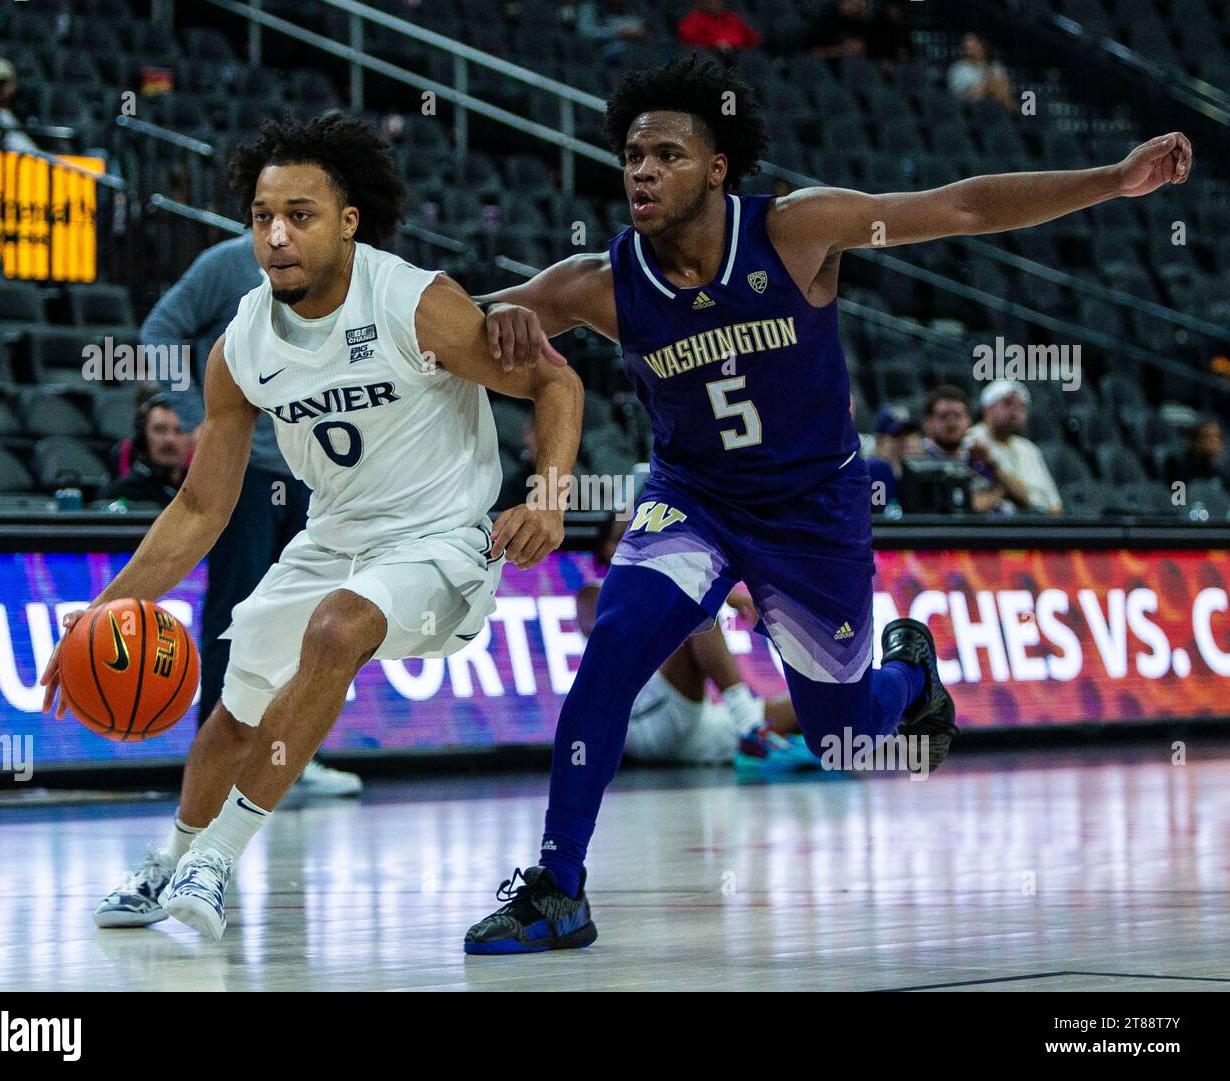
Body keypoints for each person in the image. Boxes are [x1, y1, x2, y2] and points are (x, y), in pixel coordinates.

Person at [462, 54, 1192, 952]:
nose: (641, 171)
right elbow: (456, 327)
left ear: (718, 166)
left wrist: (1112, 180)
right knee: (611, 649)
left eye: (665, 154)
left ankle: (909, 679)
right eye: (631, 156)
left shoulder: (797, 231)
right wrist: (491, 313)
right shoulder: (600, 282)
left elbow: (961, 205)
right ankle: (557, 885)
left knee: (841, 733)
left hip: (812, 510)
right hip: (691, 497)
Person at [39, 114, 584, 940]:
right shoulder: (242, 345)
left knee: (337, 628)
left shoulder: (412, 302)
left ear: (348, 221)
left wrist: (547, 495)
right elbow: (199, 507)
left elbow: (556, 382)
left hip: (443, 541)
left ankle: (218, 858)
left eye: (301, 214)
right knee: (234, 704)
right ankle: (174, 856)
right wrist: (104, 611)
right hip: (336, 535)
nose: (278, 235)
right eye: (263, 217)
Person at [139, 234, 361, 797]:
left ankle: (290, 759)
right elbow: (158, 331)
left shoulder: (336, 267)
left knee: (308, 624)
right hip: (246, 471)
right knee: (235, 617)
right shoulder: (225, 263)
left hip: (314, 473)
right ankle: (220, 765)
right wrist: (195, 417)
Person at [577, 513, 818, 772]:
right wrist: (720, 592)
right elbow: (612, 627)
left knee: (809, 701)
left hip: (690, 721)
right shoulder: (592, 592)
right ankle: (751, 728)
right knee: (695, 609)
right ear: (603, 549)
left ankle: (767, 735)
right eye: (619, 540)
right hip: (637, 720)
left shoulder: (666, 583)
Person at [968, 379, 1062, 515]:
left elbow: (1056, 507)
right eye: (1008, 403)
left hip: (1040, 525)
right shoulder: (972, 441)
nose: (1016, 411)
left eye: (1022, 406)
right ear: (987, 408)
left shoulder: (1029, 449)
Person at [919, 384, 1004, 514]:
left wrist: (991, 463)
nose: (951, 422)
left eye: (958, 416)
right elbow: (966, 506)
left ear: (968, 421)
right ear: (928, 422)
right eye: (944, 416)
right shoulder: (919, 459)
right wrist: (995, 494)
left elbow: (1025, 496)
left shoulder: (977, 458)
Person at [99, 395, 188, 507]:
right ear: (142, 438)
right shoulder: (124, 492)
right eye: (160, 429)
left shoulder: (201, 488)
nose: (169, 439)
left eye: (179, 430)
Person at [865, 404, 921, 512]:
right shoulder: (875, 469)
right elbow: (879, 513)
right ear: (880, 439)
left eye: (908, 434)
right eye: (897, 435)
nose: (905, 440)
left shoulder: (910, 472)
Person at [947, 32, 1015, 112]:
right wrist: (989, 86)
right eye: (965, 41)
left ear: (982, 44)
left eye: (971, 41)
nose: (967, 44)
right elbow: (965, 95)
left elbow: (1005, 89)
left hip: (995, 108)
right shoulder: (957, 69)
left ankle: (1014, 116)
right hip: (967, 110)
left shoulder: (995, 65)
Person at [677, 0, 761, 57]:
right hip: (711, 55)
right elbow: (687, 35)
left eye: (717, 1)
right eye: (710, 2)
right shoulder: (694, 19)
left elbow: (751, 37)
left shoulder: (731, 17)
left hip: (739, 54)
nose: (714, 3)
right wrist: (714, 43)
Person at [576, 1, 648, 65]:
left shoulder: (631, 10)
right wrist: (617, 32)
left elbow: (639, 30)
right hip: (593, 55)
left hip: (626, 57)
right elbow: (586, 32)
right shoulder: (589, 7)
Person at [1164, 416, 1226, 486]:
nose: (1214, 441)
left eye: (1218, 436)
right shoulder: (1176, 464)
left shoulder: (1219, 469)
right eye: (1207, 436)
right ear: (1193, 441)